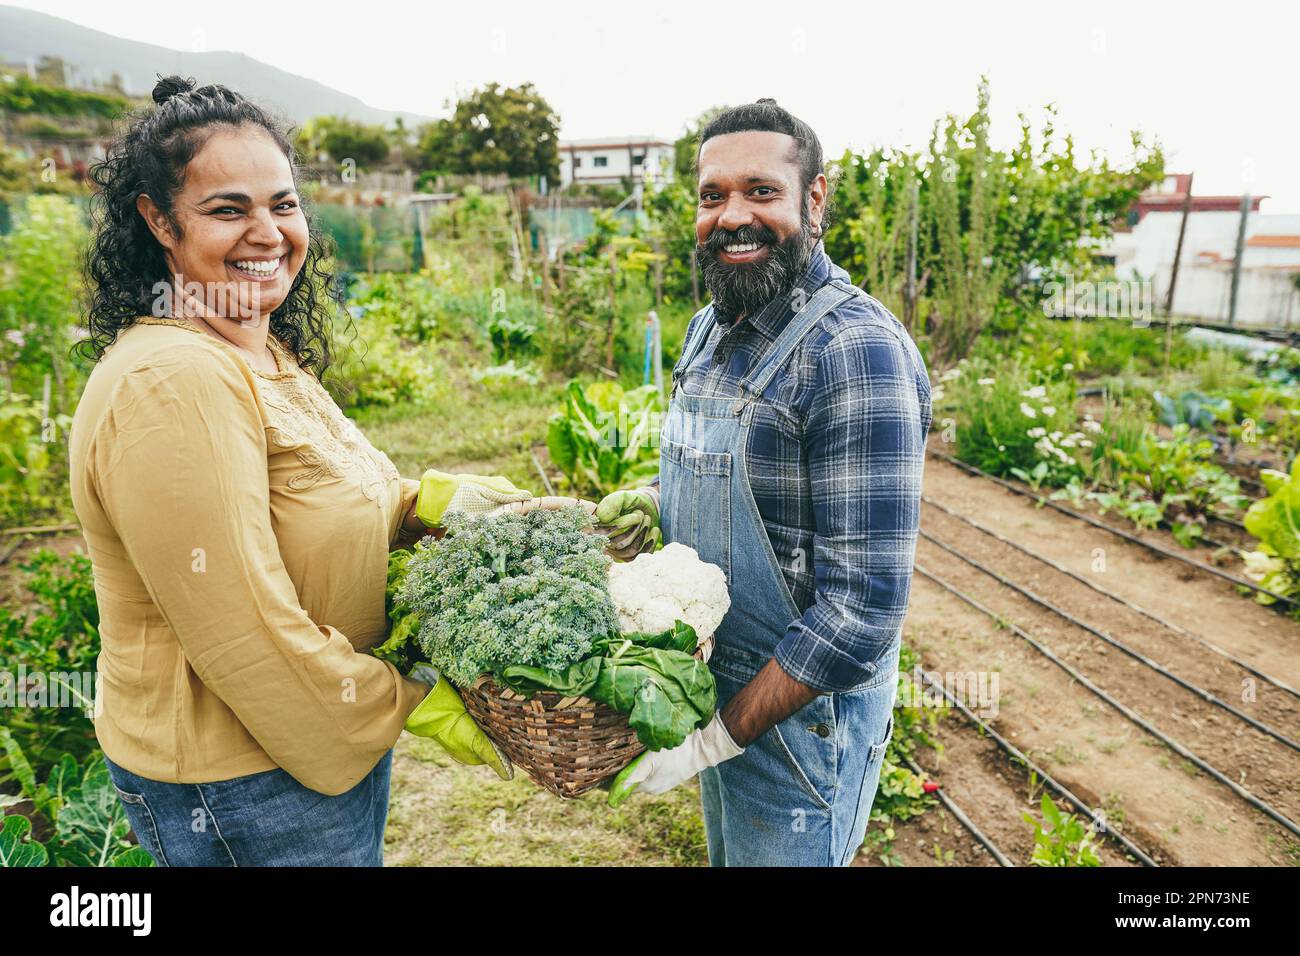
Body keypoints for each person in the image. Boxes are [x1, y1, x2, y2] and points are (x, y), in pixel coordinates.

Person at [69, 75, 526, 866]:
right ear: (158, 221)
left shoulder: (250, 346)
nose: (268, 232)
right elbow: (245, 631)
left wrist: (426, 507)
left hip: (295, 762)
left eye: (282, 205)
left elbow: (305, 503)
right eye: (228, 209)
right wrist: (416, 698)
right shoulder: (173, 379)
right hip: (241, 782)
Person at [603, 99, 933, 867]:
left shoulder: (855, 353)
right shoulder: (711, 326)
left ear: (814, 200)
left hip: (801, 731)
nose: (731, 216)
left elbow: (860, 615)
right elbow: (736, 492)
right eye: (712, 196)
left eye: (760, 191)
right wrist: (652, 508)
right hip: (722, 692)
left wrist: (713, 741)